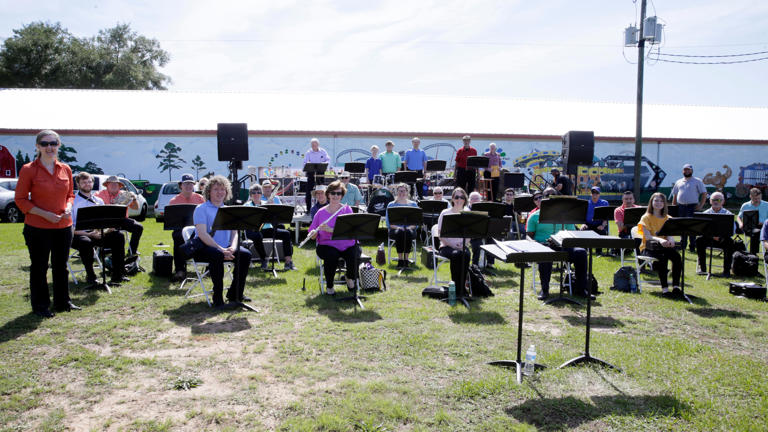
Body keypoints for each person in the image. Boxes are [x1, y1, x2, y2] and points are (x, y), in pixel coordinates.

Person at [15, 130, 78, 317]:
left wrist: (68, 207)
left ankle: (62, 302)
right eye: (44, 143)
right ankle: (41, 306)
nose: (49, 147)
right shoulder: (28, 169)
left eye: (53, 143)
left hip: (63, 227)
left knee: (61, 266)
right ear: (37, 146)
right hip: (37, 228)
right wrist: (45, 215)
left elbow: (71, 195)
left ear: (59, 145)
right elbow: (20, 200)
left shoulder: (65, 168)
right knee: (39, 267)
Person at [192, 175, 252, 308]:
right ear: (209, 192)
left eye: (222, 189)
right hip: (205, 249)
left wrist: (233, 247)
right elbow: (202, 234)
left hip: (226, 249)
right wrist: (221, 249)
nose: (220, 192)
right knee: (217, 255)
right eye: (216, 189)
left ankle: (235, 294)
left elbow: (234, 233)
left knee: (246, 255)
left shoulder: (229, 210)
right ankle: (217, 299)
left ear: (227, 192)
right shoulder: (201, 209)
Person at [526, 188, 588, 300]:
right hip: (544, 244)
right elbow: (528, 236)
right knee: (545, 252)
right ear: (544, 198)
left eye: (553, 195)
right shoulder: (534, 216)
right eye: (547, 195)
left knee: (581, 252)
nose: (550, 197)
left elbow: (571, 233)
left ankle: (581, 289)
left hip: (563, 245)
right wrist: (534, 243)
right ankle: (545, 290)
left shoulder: (566, 215)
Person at [71, 171, 128, 286]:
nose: (87, 184)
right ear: (78, 184)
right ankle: (91, 277)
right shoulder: (73, 201)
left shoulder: (99, 201)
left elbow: (104, 222)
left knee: (118, 237)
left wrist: (108, 229)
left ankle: (118, 275)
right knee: (85, 242)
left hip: (97, 233)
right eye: (84, 182)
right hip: (79, 235)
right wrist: (90, 234)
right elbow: (70, 227)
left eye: (89, 182)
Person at [307, 180, 360, 295]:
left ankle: (349, 277)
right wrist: (312, 234)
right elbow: (312, 231)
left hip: (347, 243)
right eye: (333, 193)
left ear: (342, 195)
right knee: (331, 256)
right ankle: (330, 285)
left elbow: (350, 230)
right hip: (327, 244)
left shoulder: (347, 210)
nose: (336, 196)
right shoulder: (320, 212)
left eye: (339, 193)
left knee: (355, 254)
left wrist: (330, 230)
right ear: (328, 194)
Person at [637, 192, 682, 297]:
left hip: (664, 246)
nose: (659, 203)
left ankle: (676, 287)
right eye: (656, 200)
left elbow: (669, 234)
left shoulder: (668, 218)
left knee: (677, 257)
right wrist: (660, 240)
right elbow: (648, 237)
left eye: (661, 201)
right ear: (651, 202)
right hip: (649, 248)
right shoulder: (645, 218)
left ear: (664, 204)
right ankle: (665, 290)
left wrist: (670, 240)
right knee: (662, 258)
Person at [169, 173, 206, 281]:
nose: (189, 186)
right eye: (186, 184)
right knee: (177, 236)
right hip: (181, 229)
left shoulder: (200, 199)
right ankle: (180, 270)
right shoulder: (174, 201)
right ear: (181, 186)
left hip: (198, 228)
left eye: (191, 184)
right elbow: (172, 221)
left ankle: (209, 266)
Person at [251, 180, 295, 270]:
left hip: (269, 227)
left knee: (286, 233)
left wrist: (273, 208)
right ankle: (264, 259)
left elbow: (280, 214)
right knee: (257, 234)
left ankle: (288, 262)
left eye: (269, 187)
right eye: (265, 187)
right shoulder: (256, 200)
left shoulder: (275, 199)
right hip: (258, 229)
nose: (267, 189)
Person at [95, 175, 143, 256]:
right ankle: (100, 250)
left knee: (139, 227)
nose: (113, 186)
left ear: (119, 186)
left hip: (121, 220)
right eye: (111, 184)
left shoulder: (125, 195)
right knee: (109, 232)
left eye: (116, 184)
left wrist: (134, 199)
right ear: (107, 185)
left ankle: (132, 251)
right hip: (105, 221)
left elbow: (136, 208)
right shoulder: (99, 195)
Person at [437, 188, 472, 296]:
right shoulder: (445, 213)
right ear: (452, 199)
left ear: (464, 199)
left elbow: (470, 233)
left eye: (461, 197)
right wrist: (452, 245)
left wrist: (463, 244)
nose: (459, 199)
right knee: (457, 255)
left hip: (462, 245)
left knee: (466, 254)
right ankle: (456, 288)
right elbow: (440, 234)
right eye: (456, 197)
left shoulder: (468, 212)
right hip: (446, 246)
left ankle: (462, 288)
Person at [695, 192, 735, 277]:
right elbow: (701, 229)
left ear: (723, 201)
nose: (716, 202)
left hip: (723, 239)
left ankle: (726, 271)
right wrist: (712, 236)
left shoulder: (728, 214)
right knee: (699, 240)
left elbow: (733, 231)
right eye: (714, 200)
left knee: (730, 242)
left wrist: (720, 236)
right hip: (708, 238)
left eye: (719, 200)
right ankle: (702, 269)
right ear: (710, 201)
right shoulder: (705, 213)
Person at [670, 163, 707, 252]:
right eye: (685, 169)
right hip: (681, 207)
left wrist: (701, 205)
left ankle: (692, 246)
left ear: (692, 171)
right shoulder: (678, 182)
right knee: (682, 226)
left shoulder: (697, 181)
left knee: (692, 227)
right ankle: (682, 245)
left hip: (692, 207)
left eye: (688, 169)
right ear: (683, 171)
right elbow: (675, 195)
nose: (687, 171)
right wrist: (674, 205)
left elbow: (704, 193)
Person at [386, 183, 419, 268]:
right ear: (397, 192)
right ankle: (400, 260)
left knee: (407, 232)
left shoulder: (413, 205)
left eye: (404, 191)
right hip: (395, 229)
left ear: (407, 192)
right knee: (400, 232)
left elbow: (416, 223)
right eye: (400, 191)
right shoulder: (391, 205)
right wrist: (399, 227)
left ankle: (406, 260)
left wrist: (408, 227)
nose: (402, 193)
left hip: (410, 229)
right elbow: (388, 223)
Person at [736, 187, 768, 254]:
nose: (757, 200)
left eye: (759, 198)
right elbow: (738, 217)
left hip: (764, 227)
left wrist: (763, 223)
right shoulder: (745, 205)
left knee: (758, 232)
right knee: (755, 233)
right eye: (755, 198)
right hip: (750, 227)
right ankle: (753, 254)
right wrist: (740, 224)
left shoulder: (766, 205)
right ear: (750, 196)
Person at [302, 138, 330, 212]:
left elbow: (328, 160)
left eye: (315, 145)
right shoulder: (308, 152)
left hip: (320, 173)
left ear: (318, 145)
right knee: (309, 192)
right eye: (312, 145)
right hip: (311, 173)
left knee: (322, 191)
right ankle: (308, 209)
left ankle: (322, 208)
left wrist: (324, 163)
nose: (314, 146)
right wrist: (308, 164)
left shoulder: (323, 151)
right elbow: (304, 162)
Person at [468, 191, 495, 268]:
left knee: (492, 241)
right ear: (469, 200)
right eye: (473, 199)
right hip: (471, 233)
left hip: (484, 232)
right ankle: (475, 263)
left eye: (477, 199)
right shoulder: (467, 210)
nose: (475, 200)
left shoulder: (484, 210)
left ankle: (490, 263)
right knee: (477, 243)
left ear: (480, 200)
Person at [581, 186, 609, 254]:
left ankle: (598, 252)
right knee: (582, 230)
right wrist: (583, 224)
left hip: (599, 224)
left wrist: (603, 225)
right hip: (588, 224)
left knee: (601, 231)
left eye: (597, 193)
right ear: (591, 194)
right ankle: (584, 251)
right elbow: (583, 217)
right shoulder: (587, 203)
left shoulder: (604, 203)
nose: (595, 194)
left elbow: (606, 217)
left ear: (599, 194)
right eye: (593, 192)